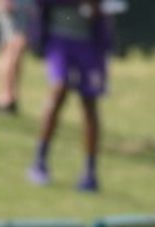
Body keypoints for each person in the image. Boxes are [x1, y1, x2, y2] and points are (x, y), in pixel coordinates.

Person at [27, 0, 111, 191]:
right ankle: (39, 161)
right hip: (59, 38)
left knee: (89, 102)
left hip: (89, 41)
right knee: (59, 90)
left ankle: (90, 171)